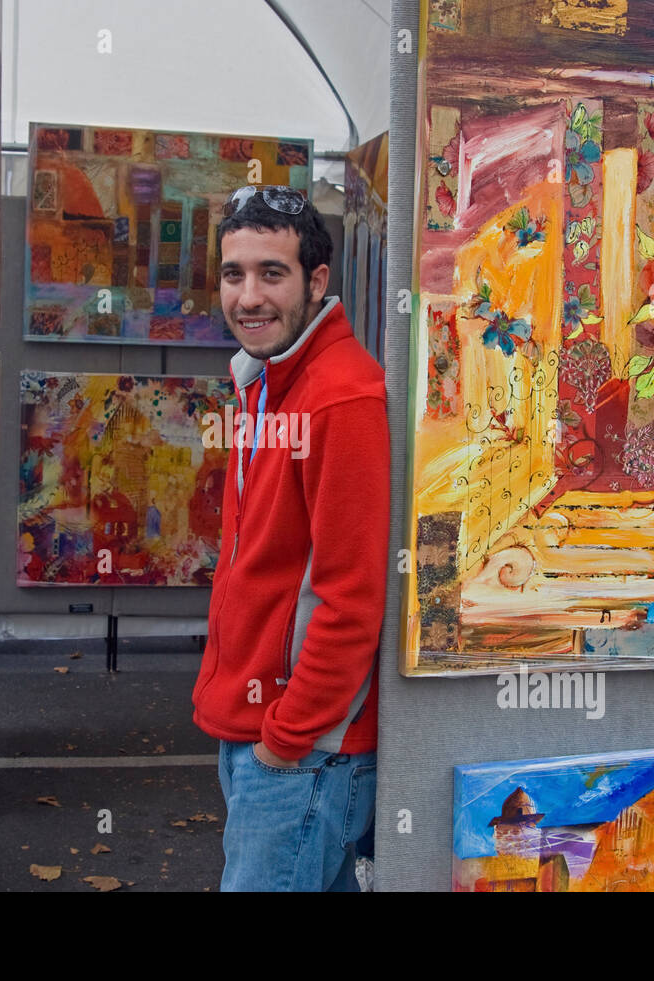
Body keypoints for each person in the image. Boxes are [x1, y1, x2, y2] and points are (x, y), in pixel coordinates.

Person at [191, 185, 389, 891]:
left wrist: (287, 735)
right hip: (267, 735)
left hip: (303, 748)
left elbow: (353, 598)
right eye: (233, 273)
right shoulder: (267, 381)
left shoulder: (340, 396)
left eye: (272, 273)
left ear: (317, 281)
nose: (248, 295)